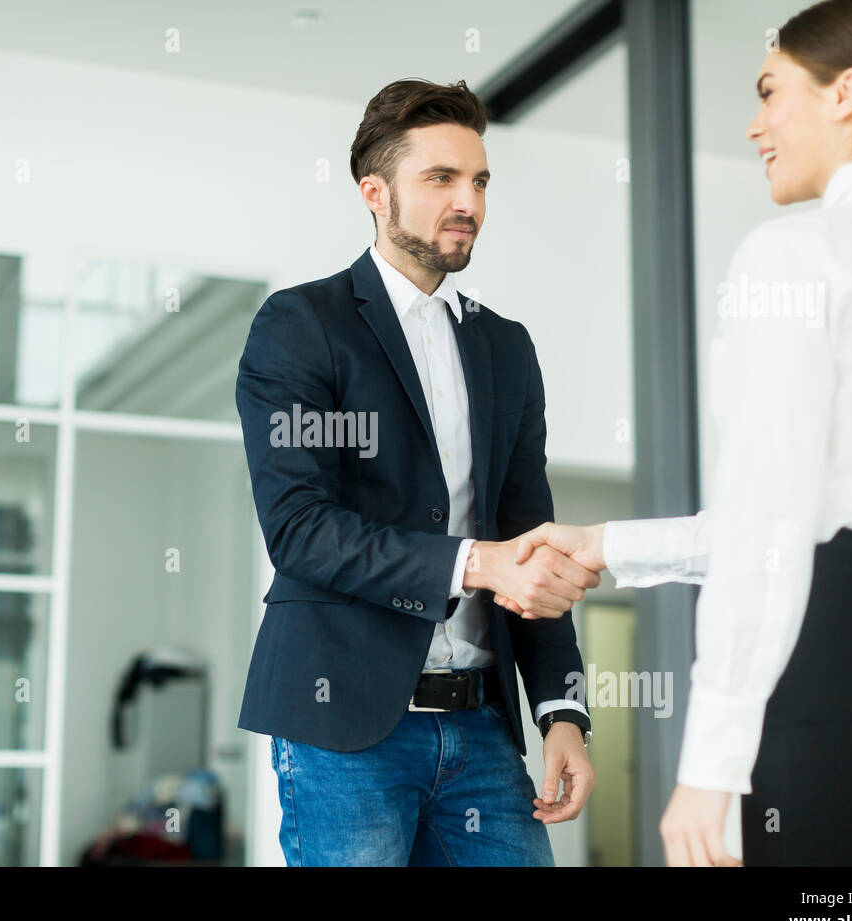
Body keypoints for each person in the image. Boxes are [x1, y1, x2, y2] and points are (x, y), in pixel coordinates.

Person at [503, 0, 852, 866]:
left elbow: (771, 528)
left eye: (769, 91)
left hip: (828, 665)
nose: (755, 125)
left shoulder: (796, 254)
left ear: (848, 92)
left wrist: (710, 760)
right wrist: (603, 545)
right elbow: (801, 518)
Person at [235, 78, 601, 865]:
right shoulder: (302, 328)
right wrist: (475, 562)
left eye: (479, 181)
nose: (467, 199)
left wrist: (561, 711)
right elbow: (299, 529)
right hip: (346, 730)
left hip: (483, 728)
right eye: (440, 178)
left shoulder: (505, 348)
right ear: (376, 193)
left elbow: (525, 540)